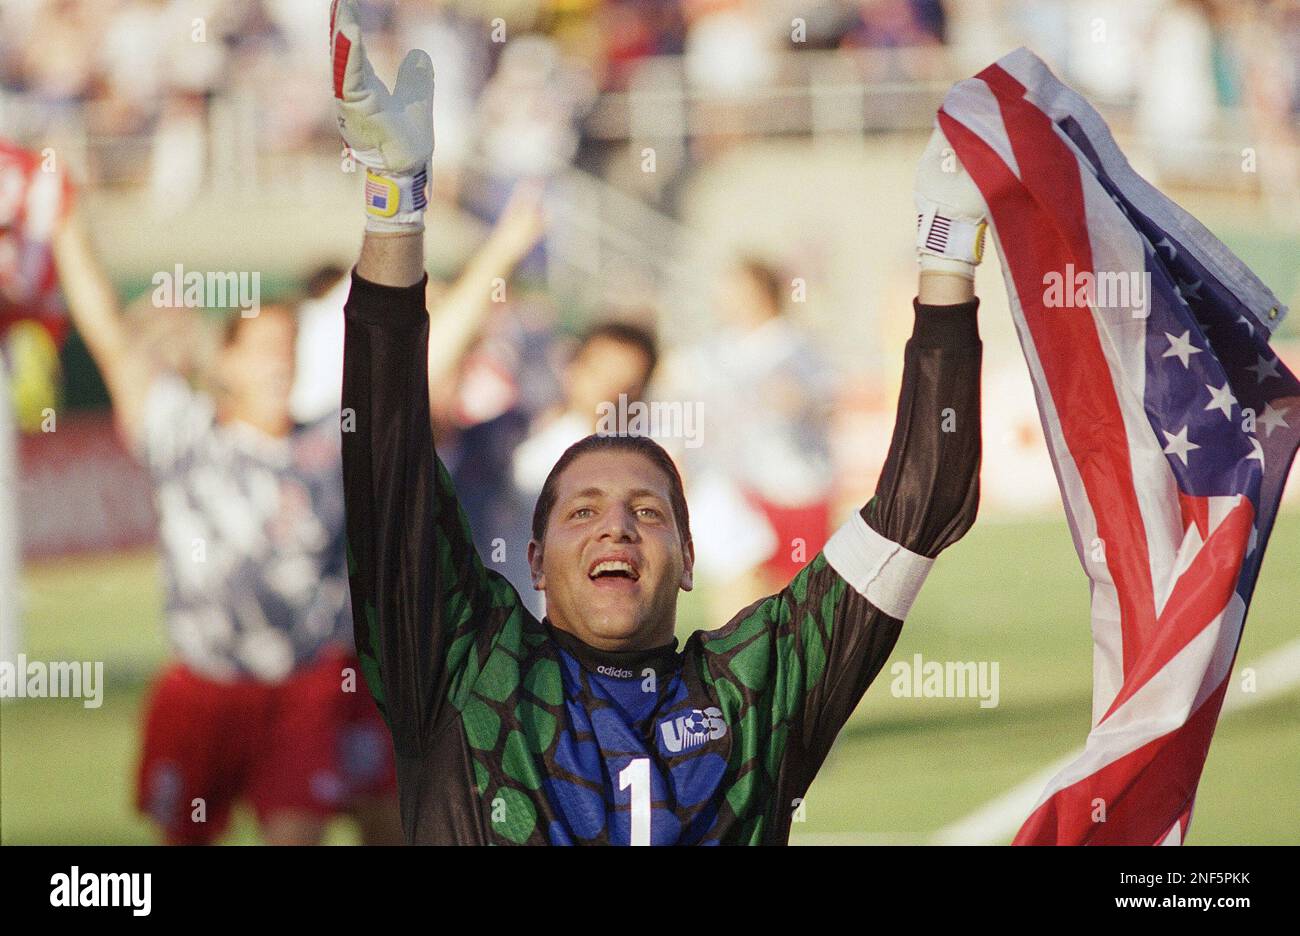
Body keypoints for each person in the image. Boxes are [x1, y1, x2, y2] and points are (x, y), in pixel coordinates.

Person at [333, 0, 983, 844]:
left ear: (687, 559)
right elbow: (386, 464)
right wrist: (394, 204)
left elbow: (923, 503)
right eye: (583, 510)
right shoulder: (466, 667)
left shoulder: (761, 687)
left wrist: (949, 244)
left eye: (648, 512)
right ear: (533, 560)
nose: (617, 528)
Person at [52, 209, 398, 845]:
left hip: (303, 687)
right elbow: (109, 336)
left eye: (289, 350)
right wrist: (68, 223)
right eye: (263, 349)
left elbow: (418, 373)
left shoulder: (328, 444)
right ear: (226, 362)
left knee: (300, 836)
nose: (279, 365)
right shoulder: (182, 432)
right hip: (202, 687)